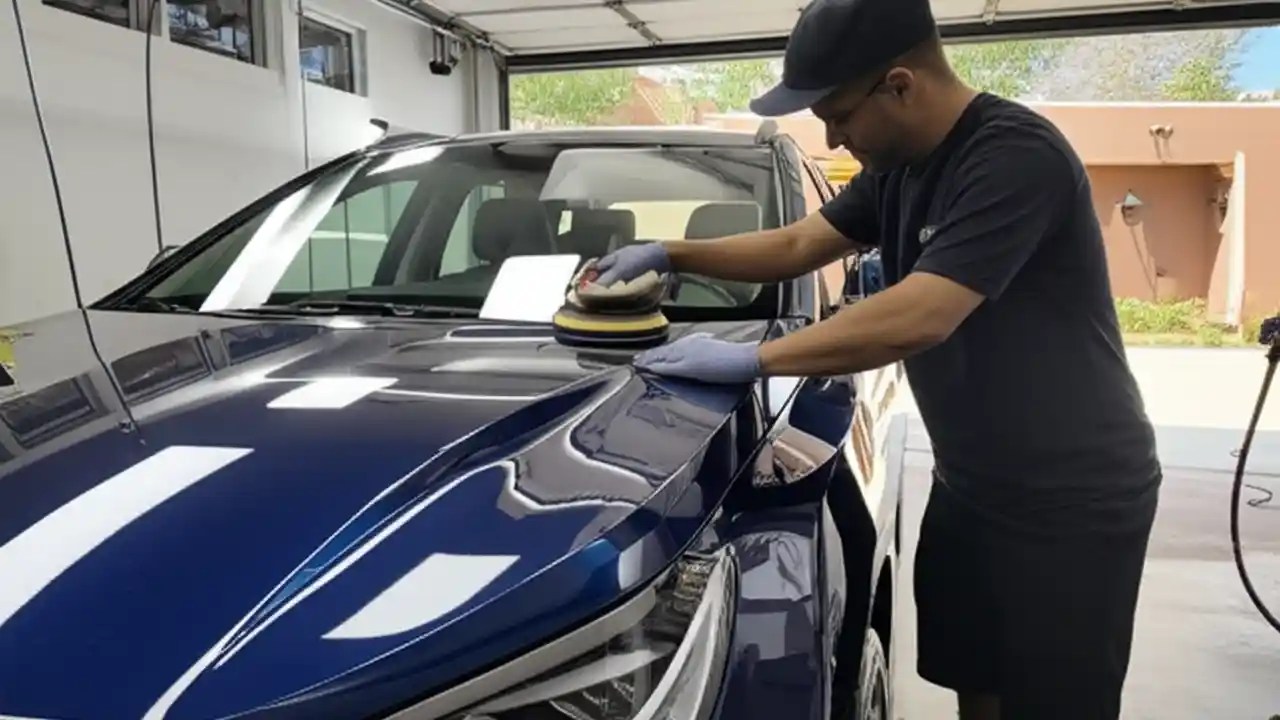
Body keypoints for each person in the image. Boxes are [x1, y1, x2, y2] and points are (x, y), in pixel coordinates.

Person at [594, 0, 1163, 718]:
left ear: (899, 85)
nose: (833, 136)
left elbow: (922, 314)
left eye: (838, 115)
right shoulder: (898, 164)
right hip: (973, 489)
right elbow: (801, 245)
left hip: (1074, 501)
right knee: (976, 684)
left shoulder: (1015, 157)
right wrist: (672, 253)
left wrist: (757, 360)